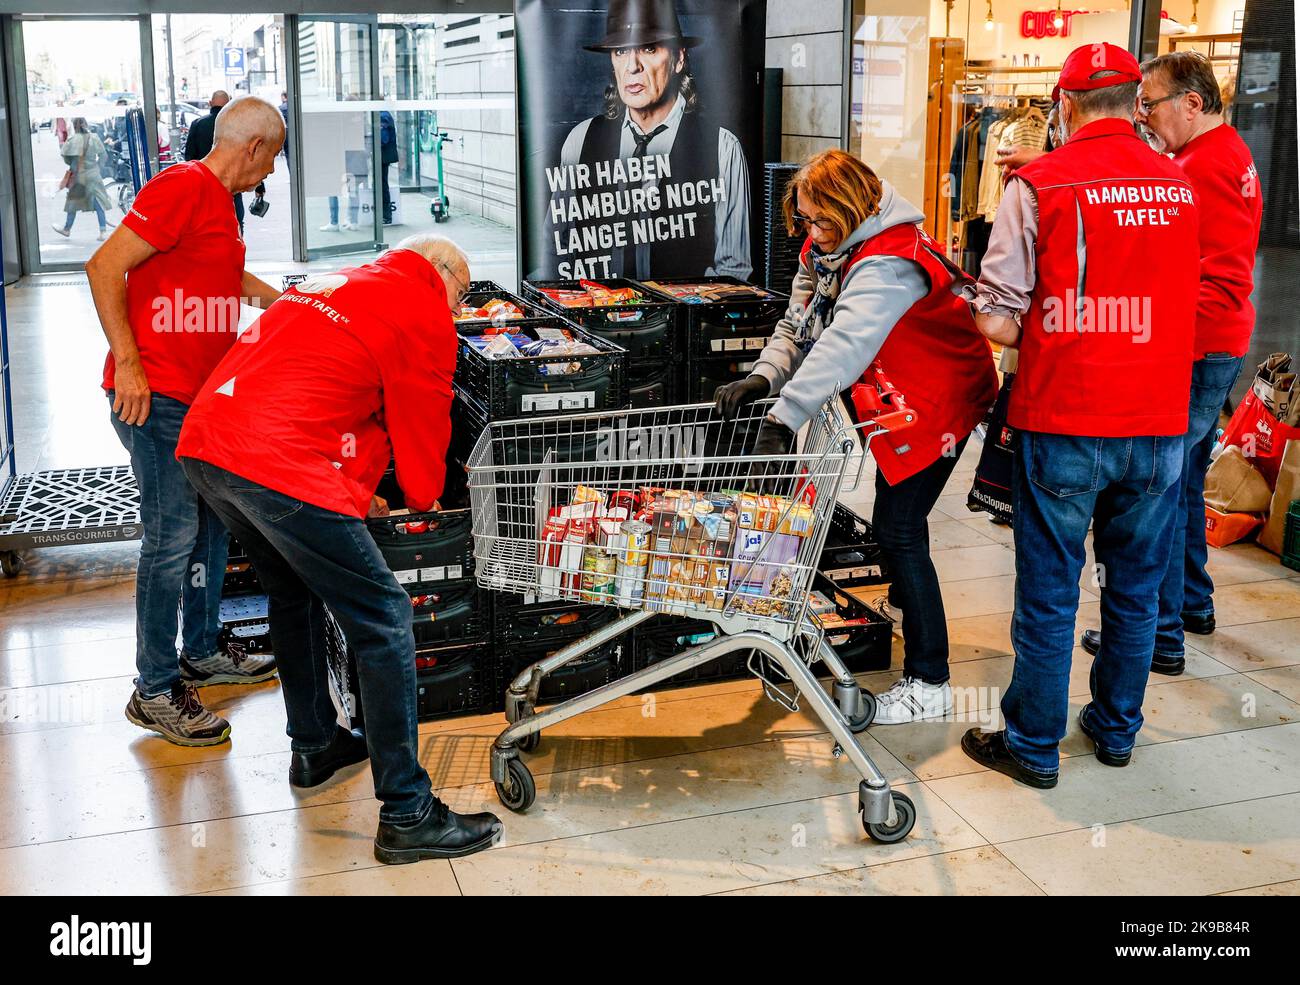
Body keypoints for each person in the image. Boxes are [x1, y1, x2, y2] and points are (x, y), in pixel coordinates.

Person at [175, 235, 503, 863]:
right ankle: (407, 812)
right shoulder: (421, 307)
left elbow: (323, 395)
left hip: (208, 444)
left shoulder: (342, 282)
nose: (458, 311)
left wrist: (350, 493)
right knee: (383, 619)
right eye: (460, 294)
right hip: (272, 463)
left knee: (291, 593)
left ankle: (315, 742)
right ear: (441, 275)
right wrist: (422, 496)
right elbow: (422, 434)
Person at [961, 43, 1201, 786]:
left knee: (1050, 587)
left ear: (1062, 108)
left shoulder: (1037, 185)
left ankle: (1033, 744)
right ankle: (1115, 729)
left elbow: (999, 323)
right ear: (1137, 103)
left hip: (1066, 417)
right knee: (1134, 585)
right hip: (1159, 421)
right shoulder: (1179, 185)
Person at [716, 149, 997, 723]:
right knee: (899, 527)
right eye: (805, 220)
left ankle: (930, 680)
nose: (812, 233)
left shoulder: (888, 263)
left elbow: (843, 344)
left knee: (899, 529)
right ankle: (908, 605)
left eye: (823, 221)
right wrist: (763, 375)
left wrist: (783, 416)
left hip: (938, 400)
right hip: (897, 399)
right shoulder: (828, 248)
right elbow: (799, 323)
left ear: (852, 210)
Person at [86, 96, 287, 747]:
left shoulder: (216, 206)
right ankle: (154, 688)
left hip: (196, 399)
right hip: (155, 398)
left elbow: (219, 274)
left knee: (207, 525)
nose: (271, 171)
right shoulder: (183, 185)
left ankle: (201, 651)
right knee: (171, 534)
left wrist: (281, 300)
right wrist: (130, 362)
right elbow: (104, 264)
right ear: (253, 147)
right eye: (274, 156)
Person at [1080, 50, 1264, 675]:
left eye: (1150, 103)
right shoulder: (1217, 152)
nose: (1143, 116)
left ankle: (1156, 637)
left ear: (1192, 102)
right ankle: (1190, 604)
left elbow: (1224, 281)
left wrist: (1155, 332)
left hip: (1197, 349)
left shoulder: (1205, 166)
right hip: (1214, 345)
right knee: (1181, 483)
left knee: (1152, 494)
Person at [556, 0, 751, 279]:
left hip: (680, 320)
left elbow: (733, 272)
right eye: (621, 51)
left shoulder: (722, 148)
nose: (632, 66)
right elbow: (557, 250)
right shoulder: (580, 140)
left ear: (678, 59)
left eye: (649, 48)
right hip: (597, 317)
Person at [185, 90, 265, 233]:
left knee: (206, 225)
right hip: (232, 186)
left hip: (205, 186)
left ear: (210, 103)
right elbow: (250, 158)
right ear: (229, 105)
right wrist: (259, 186)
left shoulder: (197, 124)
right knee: (236, 222)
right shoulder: (239, 127)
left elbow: (189, 158)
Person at [52, 118, 113, 242]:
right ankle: (103, 231)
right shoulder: (94, 137)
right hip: (93, 173)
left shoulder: (72, 140)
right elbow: (104, 155)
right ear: (86, 124)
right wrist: (98, 167)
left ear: (74, 126)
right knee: (98, 202)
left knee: (72, 203)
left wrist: (73, 164)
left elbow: (65, 157)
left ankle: (67, 229)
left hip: (78, 175)